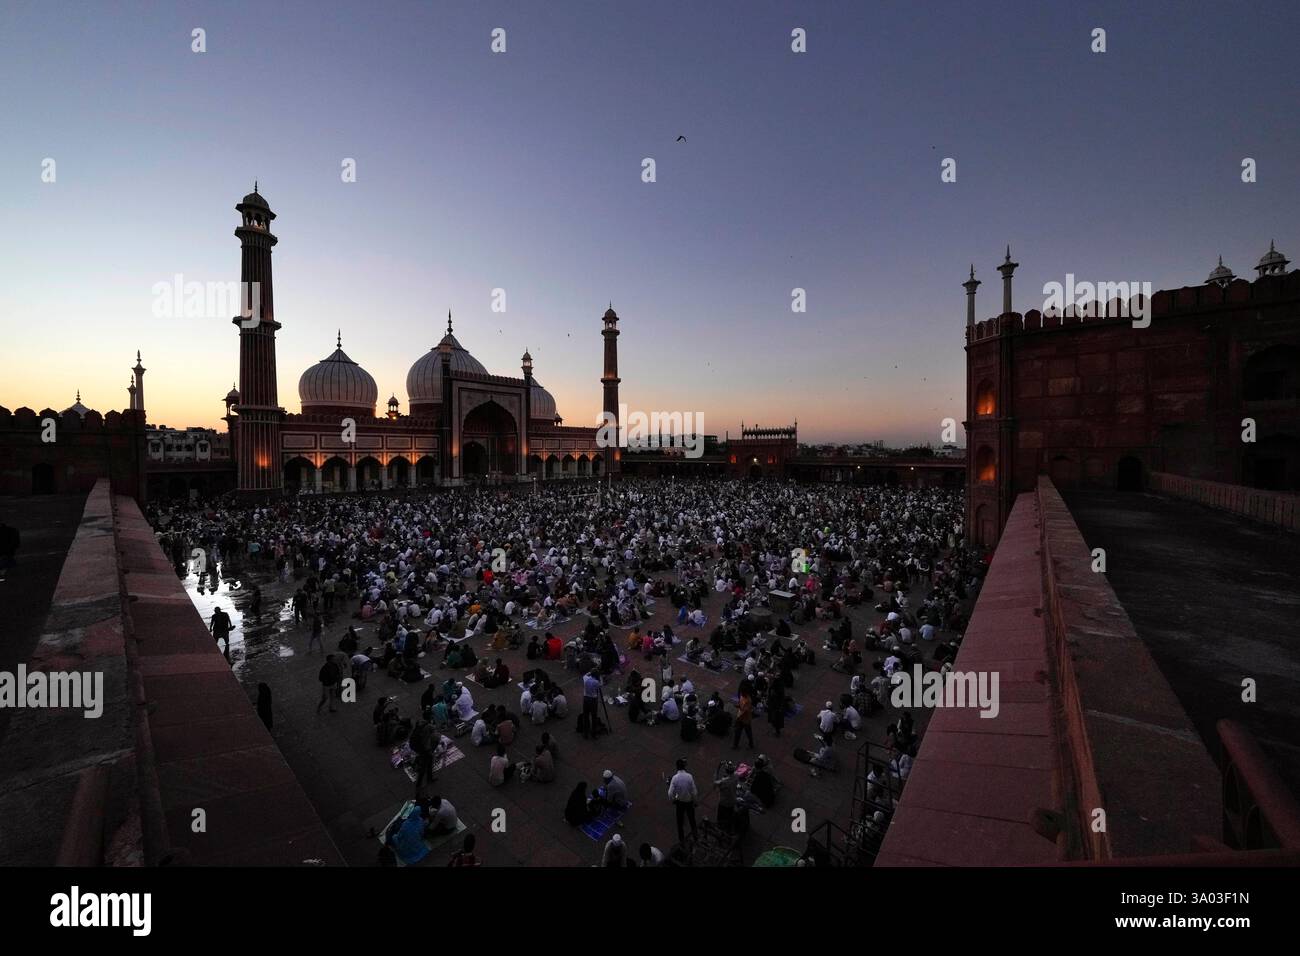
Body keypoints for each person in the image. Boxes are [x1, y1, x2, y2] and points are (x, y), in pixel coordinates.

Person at [667, 758, 699, 844]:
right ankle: (696, 836)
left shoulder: (674, 778)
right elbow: (694, 792)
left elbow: (670, 793)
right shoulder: (689, 776)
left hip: (680, 803)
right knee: (692, 820)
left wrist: (673, 800)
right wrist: (695, 802)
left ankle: (682, 840)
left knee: (680, 822)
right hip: (689, 802)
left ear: (677, 767)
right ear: (684, 766)